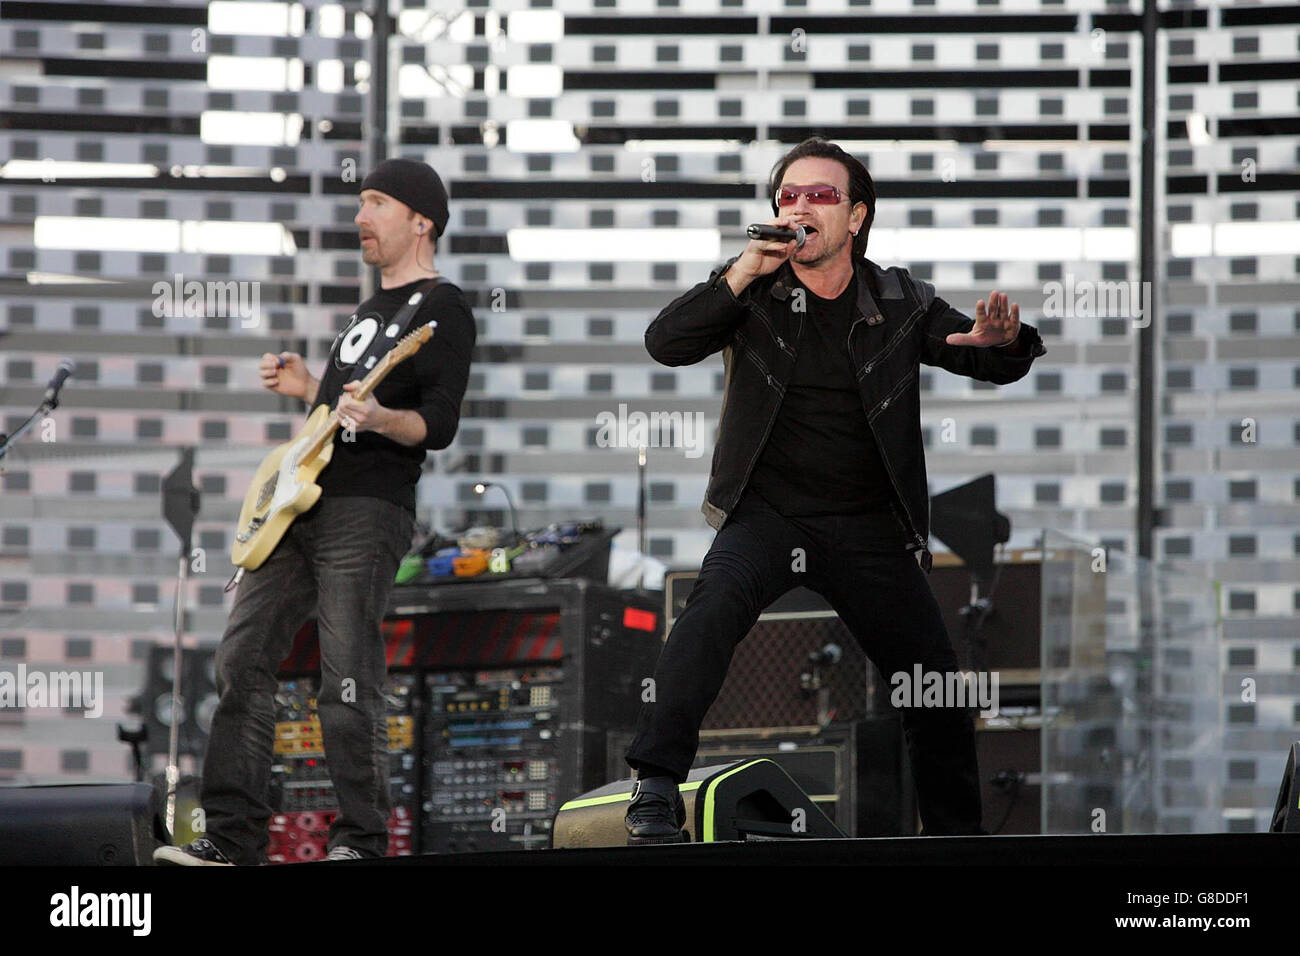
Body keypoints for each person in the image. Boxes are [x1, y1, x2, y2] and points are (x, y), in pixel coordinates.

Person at [623, 137, 1046, 843]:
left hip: (869, 528)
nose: (800, 206)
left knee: (934, 686)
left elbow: (982, 356)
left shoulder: (899, 298)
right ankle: (657, 785)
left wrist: (1003, 341)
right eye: (788, 195)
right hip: (767, 515)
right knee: (708, 613)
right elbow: (665, 341)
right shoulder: (751, 292)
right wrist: (739, 274)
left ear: (856, 218)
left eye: (821, 195)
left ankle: (957, 841)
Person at [156, 159, 476, 864]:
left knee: (347, 675)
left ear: (421, 220)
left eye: (375, 202)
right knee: (240, 659)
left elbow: (438, 423)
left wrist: (384, 416)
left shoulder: (443, 308)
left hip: (368, 507)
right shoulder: (368, 313)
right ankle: (232, 839)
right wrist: (310, 388)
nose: (360, 217)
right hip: (301, 505)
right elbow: (335, 422)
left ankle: (360, 841)